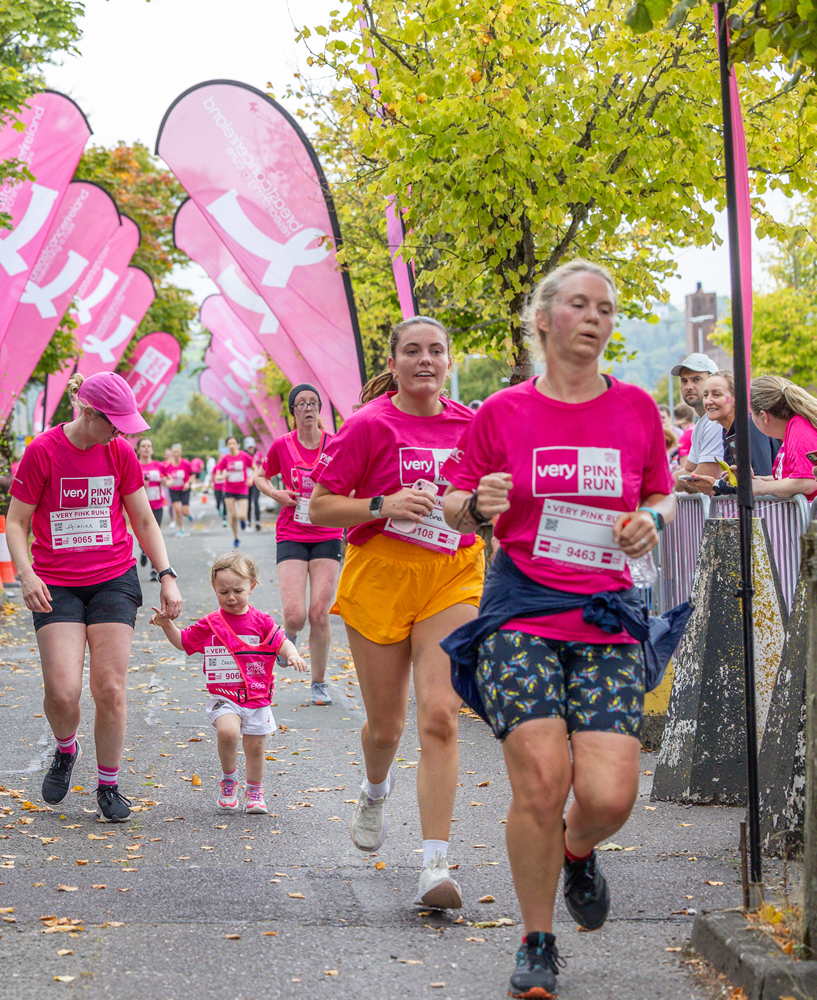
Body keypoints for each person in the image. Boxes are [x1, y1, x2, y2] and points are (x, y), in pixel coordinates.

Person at [437, 260, 677, 999]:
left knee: (608, 797)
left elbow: (662, 492)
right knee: (542, 781)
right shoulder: (502, 412)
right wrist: (477, 504)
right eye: (579, 304)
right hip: (522, 609)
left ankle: (577, 848)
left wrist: (651, 520)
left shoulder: (635, 408)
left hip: (605, 610)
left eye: (605, 307)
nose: (595, 317)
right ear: (544, 320)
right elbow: (452, 504)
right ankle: (537, 940)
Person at [307, 315, 481, 912]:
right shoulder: (368, 425)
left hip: (451, 575)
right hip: (380, 575)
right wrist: (383, 504)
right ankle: (374, 789)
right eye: (412, 351)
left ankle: (434, 865)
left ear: (450, 361)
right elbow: (319, 507)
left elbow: (490, 501)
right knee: (387, 728)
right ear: (394, 362)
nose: (425, 360)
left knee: (441, 715)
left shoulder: (472, 426)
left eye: (435, 350)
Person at [5, 372, 183, 823]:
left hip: (113, 579)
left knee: (110, 687)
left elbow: (143, 520)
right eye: (115, 424)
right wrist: (26, 575)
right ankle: (66, 749)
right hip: (56, 583)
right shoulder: (43, 451)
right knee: (63, 692)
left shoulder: (120, 452)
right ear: (87, 412)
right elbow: (16, 522)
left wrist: (166, 574)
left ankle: (108, 785)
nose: (121, 434)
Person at [149, 552, 307, 814]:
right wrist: (167, 625)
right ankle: (229, 780)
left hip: (256, 697)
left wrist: (292, 654)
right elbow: (184, 642)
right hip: (225, 696)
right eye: (223, 592)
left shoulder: (261, 621)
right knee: (228, 733)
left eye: (238, 591)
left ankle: (255, 791)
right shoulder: (211, 623)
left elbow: (281, 641)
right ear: (214, 588)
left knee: (255, 747)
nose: (231, 597)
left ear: (252, 587)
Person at [254, 384, 344, 707]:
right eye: (301, 403)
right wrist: (275, 493)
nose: (308, 408)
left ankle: (318, 684)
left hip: (328, 532)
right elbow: (260, 477)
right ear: (293, 411)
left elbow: (351, 478)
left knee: (319, 612)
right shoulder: (283, 445)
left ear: (319, 409)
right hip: (292, 531)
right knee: (295, 615)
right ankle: (288, 638)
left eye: (313, 403)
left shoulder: (335, 444)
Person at [677, 370, 780, 495]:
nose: (708, 401)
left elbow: (759, 483)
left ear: (736, 398)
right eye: (705, 395)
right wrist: (719, 485)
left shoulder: (749, 425)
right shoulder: (727, 430)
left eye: (716, 395)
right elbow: (739, 483)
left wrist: (716, 485)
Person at [750, 374, 817, 501]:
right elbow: (791, 477)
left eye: (751, 414)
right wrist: (757, 481)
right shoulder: (793, 429)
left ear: (764, 417)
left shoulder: (800, 430)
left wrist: (762, 487)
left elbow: (807, 482)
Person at [671, 353, 724, 491]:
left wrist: (662, 488)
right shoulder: (702, 423)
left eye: (696, 379)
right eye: (684, 381)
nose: (689, 386)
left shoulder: (716, 422)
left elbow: (701, 479)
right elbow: (687, 470)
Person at [214, 436, 255, 547]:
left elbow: (255, 468)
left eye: (233, 443)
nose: (232, 446)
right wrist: (224, 476)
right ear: (227, 446)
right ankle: (236, 537)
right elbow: (217, 476)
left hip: (242, 489)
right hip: (229, 490)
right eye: (229, 444)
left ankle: (243, 521)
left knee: (242, 515)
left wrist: (251, 479)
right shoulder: (225, 459)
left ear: (237, 444)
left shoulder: (244, 456)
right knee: (232, 516)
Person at [136, 438, 168, 578]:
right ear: (138, 449)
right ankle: (144, 551)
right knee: (142, 535)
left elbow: (169, 480)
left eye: (149, 446)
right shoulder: (135, 465)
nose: (146, 448)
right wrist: (142, 485)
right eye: (143, 446)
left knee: (155, 535)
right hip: (140, 506)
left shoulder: (159, 465)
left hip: (157, 504)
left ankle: (154, 569)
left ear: (152, 449)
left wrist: (166, 481)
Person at [162, 445, 194, 537]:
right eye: (174, 452)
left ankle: (188, 513)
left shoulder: (185, 463)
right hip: (173, 490)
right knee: (177, 510)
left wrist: (188, 483)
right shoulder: (168, 466)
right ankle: (181, 529)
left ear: (180, 453)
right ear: (172, 454)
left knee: (185, 512)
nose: (176, 454)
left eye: (177, 452)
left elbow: (193, 475)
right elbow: (165, 476)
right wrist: (167, 481)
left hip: (184, 489)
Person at [242, 436, 263, 531]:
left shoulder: (258, 454)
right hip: (247, 482)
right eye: (249, 447)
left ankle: (257, 522)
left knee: (256, 501)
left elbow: (263, 464)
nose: (251, 449)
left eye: (252, 447)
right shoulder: (243, 455)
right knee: (248, 502)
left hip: (256, 481)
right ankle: (249, 521)